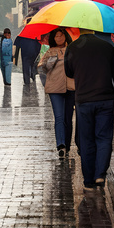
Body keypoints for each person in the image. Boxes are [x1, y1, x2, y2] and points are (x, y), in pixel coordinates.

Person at [64, 29, 114, 190]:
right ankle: (100, 174)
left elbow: (68, 72)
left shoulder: (73, 47)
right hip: (105, 98)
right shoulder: (107, 46)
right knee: (104, 137)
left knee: (86, 139)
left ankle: (88, 180)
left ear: (78, 29)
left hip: (84, 99)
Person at [40, 28, 74, 158]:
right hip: (55, 88)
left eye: (61, 36)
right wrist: (49, 62)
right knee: (59, 117)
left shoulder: (72, 50)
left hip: (70, 87)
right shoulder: (49, 52)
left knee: (68, 118)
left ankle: (68, 144)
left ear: (65, 37)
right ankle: (61, 145)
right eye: (56, 36)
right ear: (53, 38)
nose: (59, 38)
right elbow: (42, 69)